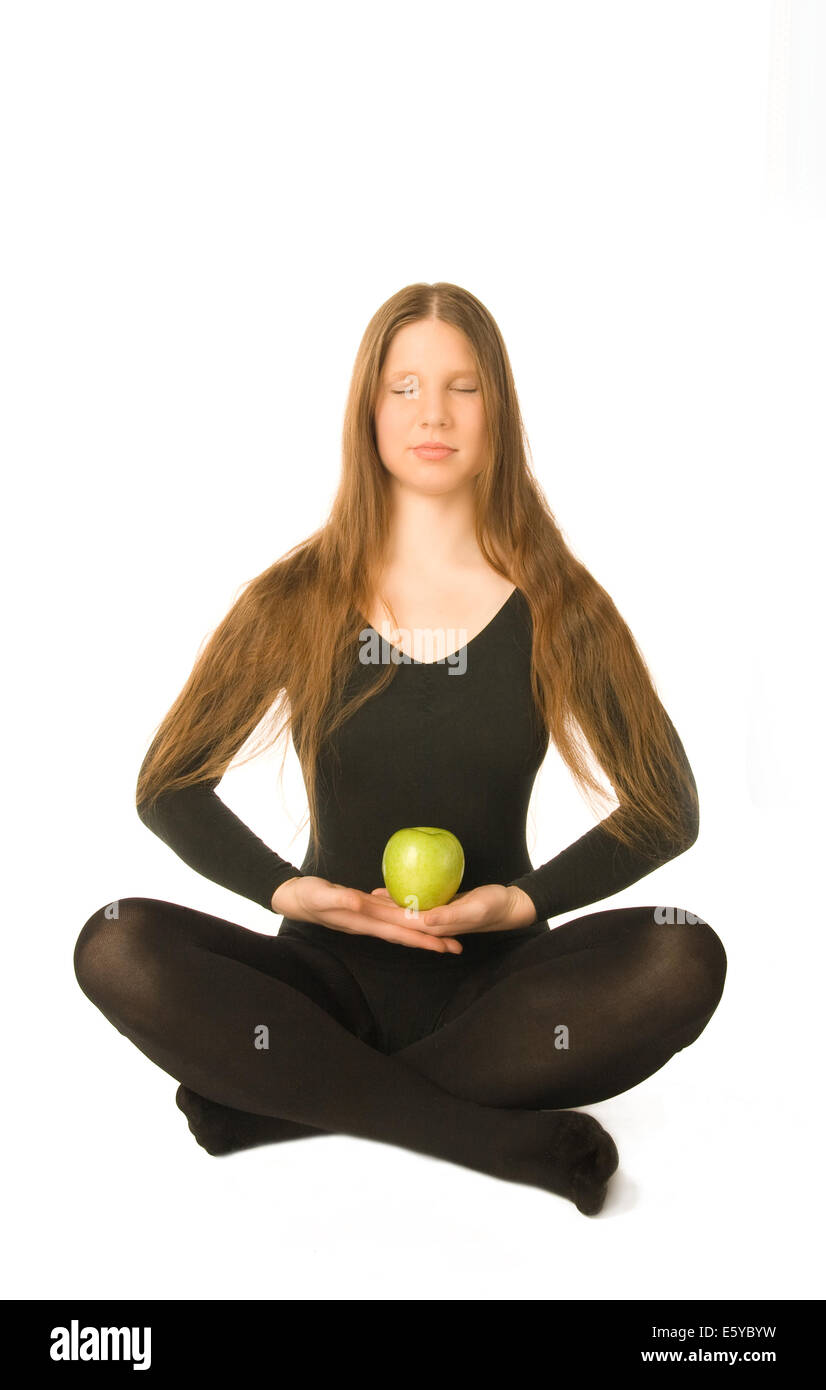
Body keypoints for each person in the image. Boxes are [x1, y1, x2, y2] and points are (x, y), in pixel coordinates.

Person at [73, 283, 727, 1217]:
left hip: (500, 988)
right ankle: (481, 1135)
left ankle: (288, 1101)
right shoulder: (293, 598)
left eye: (463, 387)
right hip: (318, 981)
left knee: (685, 953)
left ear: (497, 409)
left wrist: (521, 902)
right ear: (367, 411)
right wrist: (285, 891)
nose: (433, 412)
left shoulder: (562, 606)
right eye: (404, 386)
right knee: (113, 939)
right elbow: (167, 786)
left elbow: (668, 806)